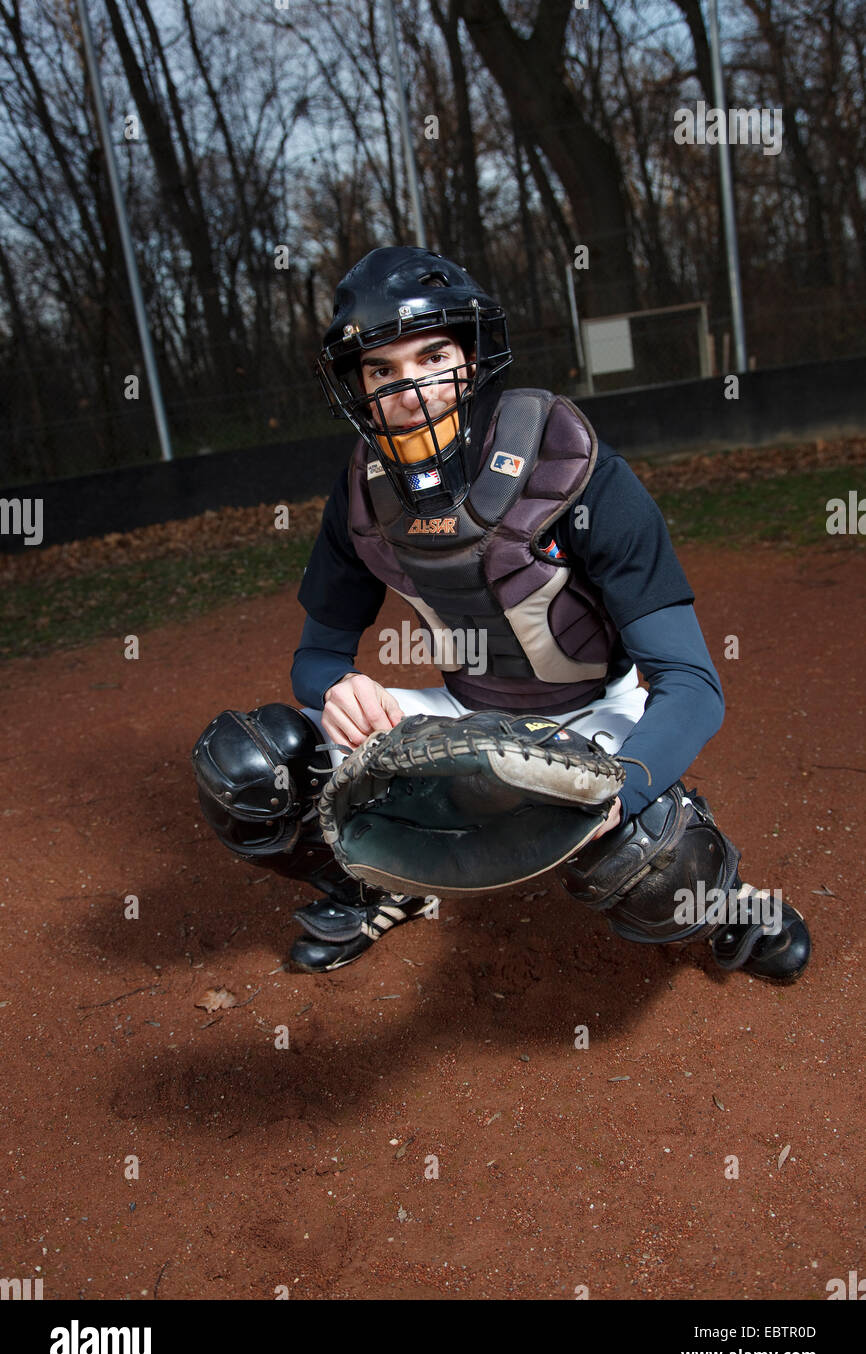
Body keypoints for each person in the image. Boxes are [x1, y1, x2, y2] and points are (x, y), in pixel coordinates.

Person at [191, 245, 810, 982]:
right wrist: (335, 688)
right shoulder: (361, 491)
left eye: (432, 357)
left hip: (588, 712)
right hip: (461, 708)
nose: (410, 390)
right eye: (381, 370)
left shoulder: (570, 463)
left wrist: (625, 788)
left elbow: (692, 685)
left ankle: (724, 905)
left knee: (647, 849)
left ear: (473, 357)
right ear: (356, 388)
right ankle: (376, 886)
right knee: (251, 766)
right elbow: (318, 655)